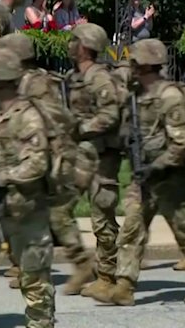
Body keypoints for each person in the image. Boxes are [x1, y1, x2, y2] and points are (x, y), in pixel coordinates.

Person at [94, 39, 185, 307]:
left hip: (171, 177)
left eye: (135, 63)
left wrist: (156, 165)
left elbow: (182, 142)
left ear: (145, 65)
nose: (131, 68)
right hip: (145, 177)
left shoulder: (169, 97)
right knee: (132, 227)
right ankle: (125, 285)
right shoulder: (137, 96)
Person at [0, 33, 95, 295]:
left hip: (53, 156)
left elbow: (58, 119)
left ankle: (82, 264)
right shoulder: (20, 81)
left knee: (56, 214)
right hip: (32, 154)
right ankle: (27, 267)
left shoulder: (35, 83)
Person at [0, 48, 55, 328]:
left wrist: (3, 176)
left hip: (28, 210)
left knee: (34, 279)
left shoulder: (28, 116)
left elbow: (37, 163)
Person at [65, 23, 124, 301]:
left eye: (74, 40)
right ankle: (87, 266)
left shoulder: (99, 78)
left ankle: (107, 275)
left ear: (85, 46)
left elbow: (110, 114)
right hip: (80, 154)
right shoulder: (73, 76)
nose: (69, 45)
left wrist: (82, 128)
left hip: (103, 156)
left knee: (102, 214)